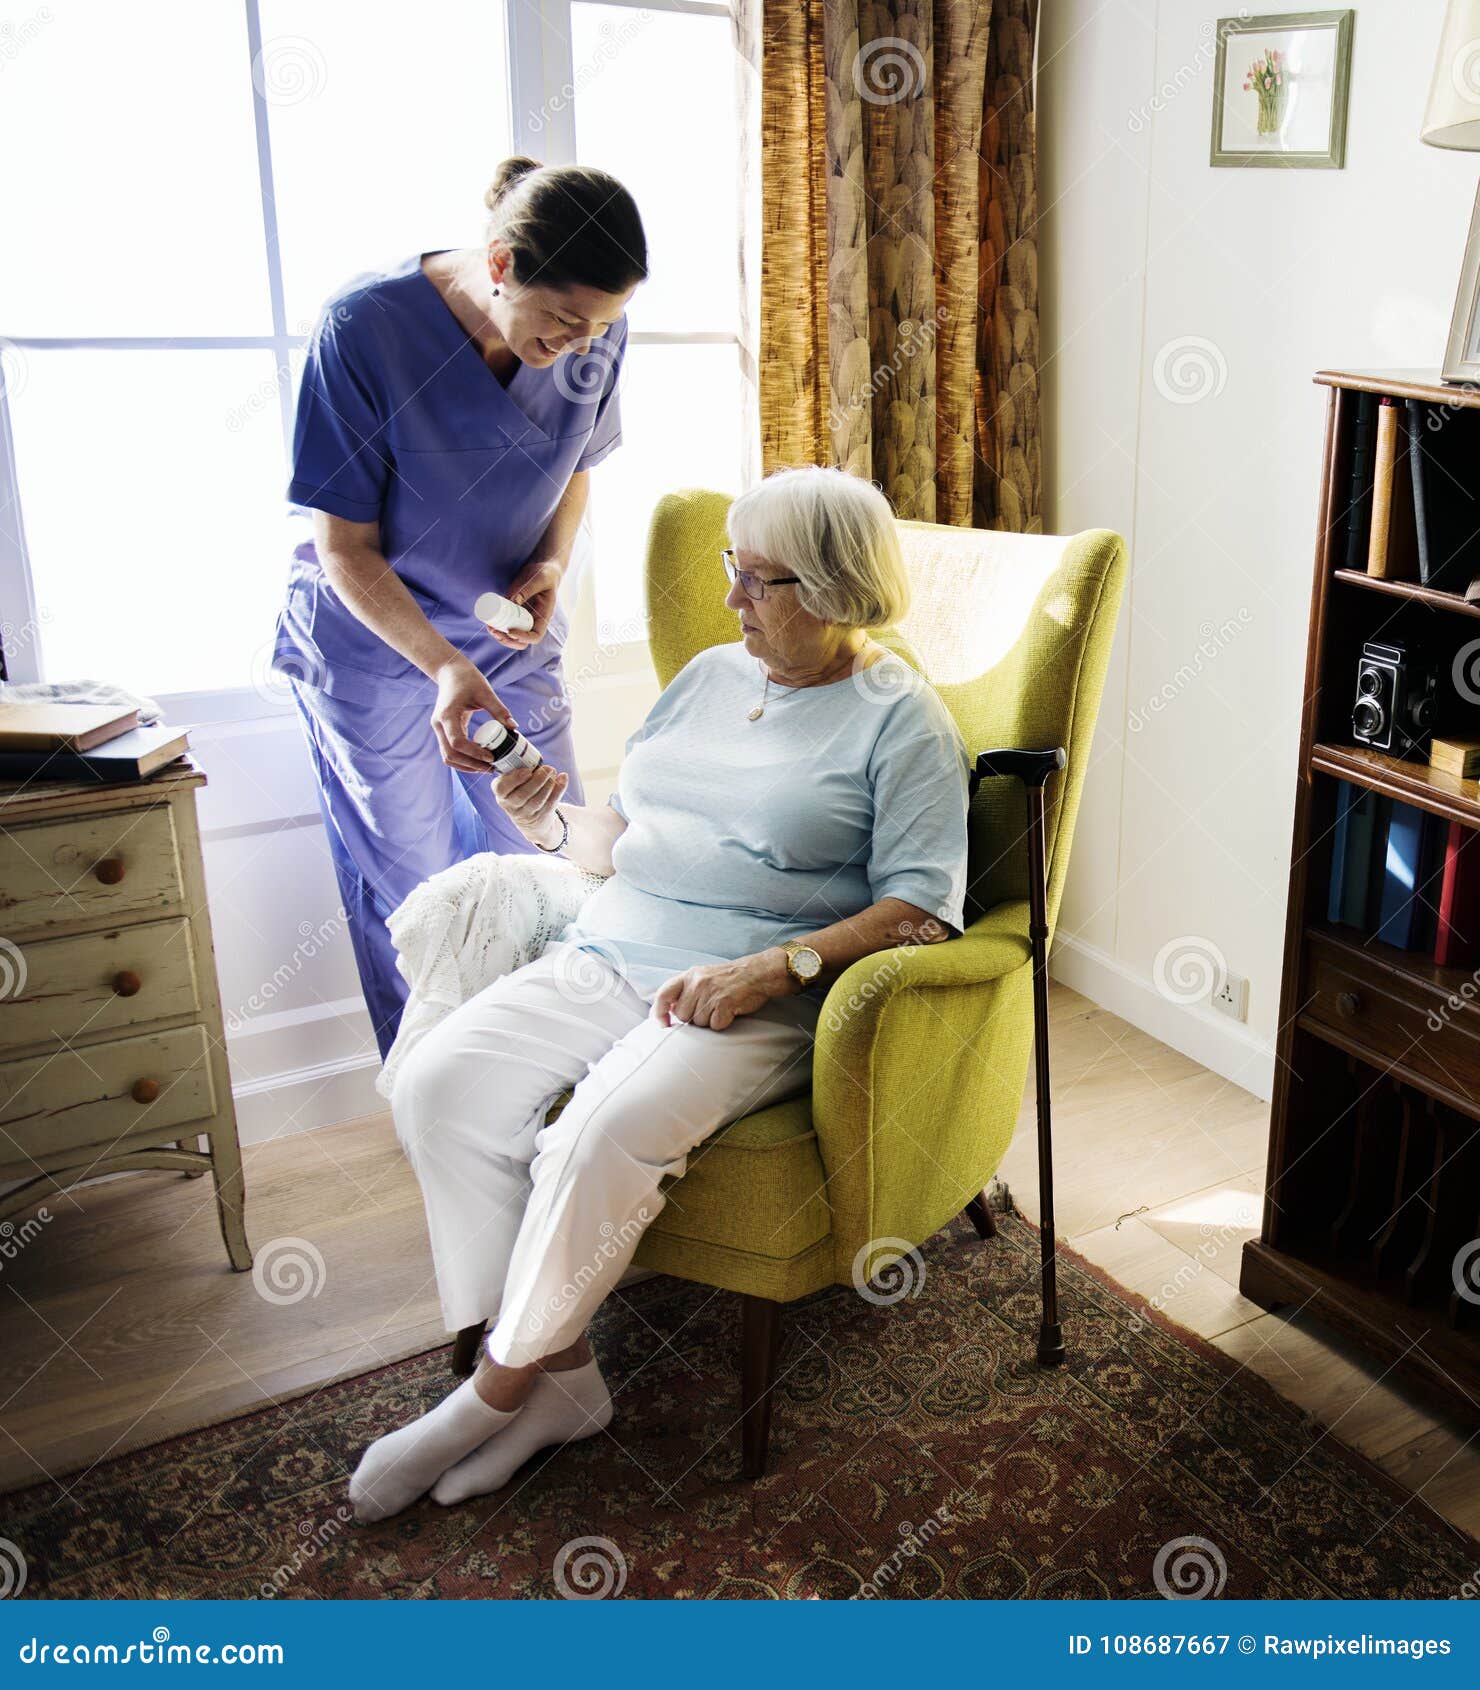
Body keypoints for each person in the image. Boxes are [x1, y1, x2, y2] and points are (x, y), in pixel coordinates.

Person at [347, 465, 973, 1521]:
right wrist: (541, 816)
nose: (731, 600)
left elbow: (924, 907)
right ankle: (562, 1382)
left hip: (751, 991)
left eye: (757, 580)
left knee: (598, 1135)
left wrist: (773, 968)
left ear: (828, 586)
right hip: (613, 943)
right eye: (734, 569)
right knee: (439, 1085)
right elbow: (632, 842)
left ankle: (486, 1396)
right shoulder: (709, 680)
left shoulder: (900, 720)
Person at [272, 158, 647, 1059]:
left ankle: (559, 1076)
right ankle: (440, 1096)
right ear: (502, 263)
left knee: (558, 856)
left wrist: (554, 560)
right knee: (417, 885)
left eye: (600, 328)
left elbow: (577, 470)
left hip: (509, 635)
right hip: (378, 643)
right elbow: (343, 549)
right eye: (563, 321)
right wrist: (443, 664)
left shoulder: (594, 331)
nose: (580, 346)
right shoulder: (364, 330)